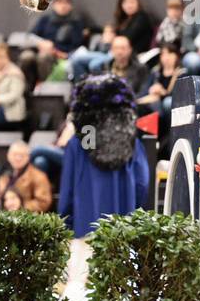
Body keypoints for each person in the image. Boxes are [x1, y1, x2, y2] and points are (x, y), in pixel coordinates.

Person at [58, 74, 150, 237]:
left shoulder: (79, 143)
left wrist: (66, 225)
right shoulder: (132, 142)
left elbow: (68, 192)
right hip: (124, 234)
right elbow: (142, 185)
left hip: (85, 232)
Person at [19, 0, 90, 85]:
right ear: (53, 4)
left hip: (61, 58)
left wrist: (56, 52)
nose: (63, 5)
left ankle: (46, 90)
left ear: (71, 6)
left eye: (66, 2)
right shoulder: (45, 19)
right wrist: (41, 43)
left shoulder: (76, 22)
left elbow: (78, 46)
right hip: (41, 52)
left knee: (44, 57)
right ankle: (27, 89)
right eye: (60, 2)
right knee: (26, 57)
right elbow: (30, 37)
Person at [0, 140, 53, 211]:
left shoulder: (38, 176)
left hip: (24, 217)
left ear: (28, 157)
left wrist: (19, 206)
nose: (18, 158)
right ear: (8, 156)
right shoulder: (3, 174)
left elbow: (43, 202)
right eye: (14, 154)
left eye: (22, 155)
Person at [138, 43, 185, 122]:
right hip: (154, 104)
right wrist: (151, 91)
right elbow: (144, 90)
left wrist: (163, 93)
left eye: (170, 53)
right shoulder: (155, 72)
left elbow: (182, 96)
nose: (166, 58)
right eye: (163, 54)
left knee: (168, 103)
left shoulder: (181, 73)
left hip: (171, 107)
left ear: (177, 55)